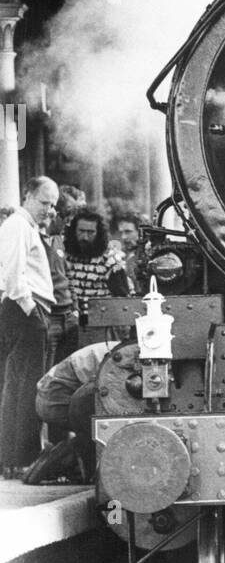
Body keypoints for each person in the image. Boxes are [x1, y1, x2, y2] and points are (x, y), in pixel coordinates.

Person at [0, 177, 59, 475]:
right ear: (28, 196)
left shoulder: (26, 227)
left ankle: (14, 458)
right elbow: (13, 273)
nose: (49, 210)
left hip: (27, 310)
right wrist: (30, 309)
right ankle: (20, 459)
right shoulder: (17, 226)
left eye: (53, 205)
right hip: (25, 310)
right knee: (26, 388)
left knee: (21, 385)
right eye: (44, 202)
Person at [24, 341, 117, 484]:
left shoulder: (124, 348)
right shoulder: (128, 355)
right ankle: (67, 452)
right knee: (102, 429)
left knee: (97, 424)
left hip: (49, 394)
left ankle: (59, 458)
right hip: (56, 397)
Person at [63, 207, 130, 324]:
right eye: (81, 231)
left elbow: (122, 297)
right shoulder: (63, 255)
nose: (85, 237)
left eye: (90, 232)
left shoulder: (110, 259)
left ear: (98, 233)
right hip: (68, 320)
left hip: (98, 322)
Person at [43, 186, 85, 368]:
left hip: (68, 316)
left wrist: (75, 307)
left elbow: (66, 274)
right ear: (55, 214)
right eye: (66, 219)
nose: (68, 225)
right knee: (47, 369)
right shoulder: (36, 240)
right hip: (50, 317)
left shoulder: (59, 240)